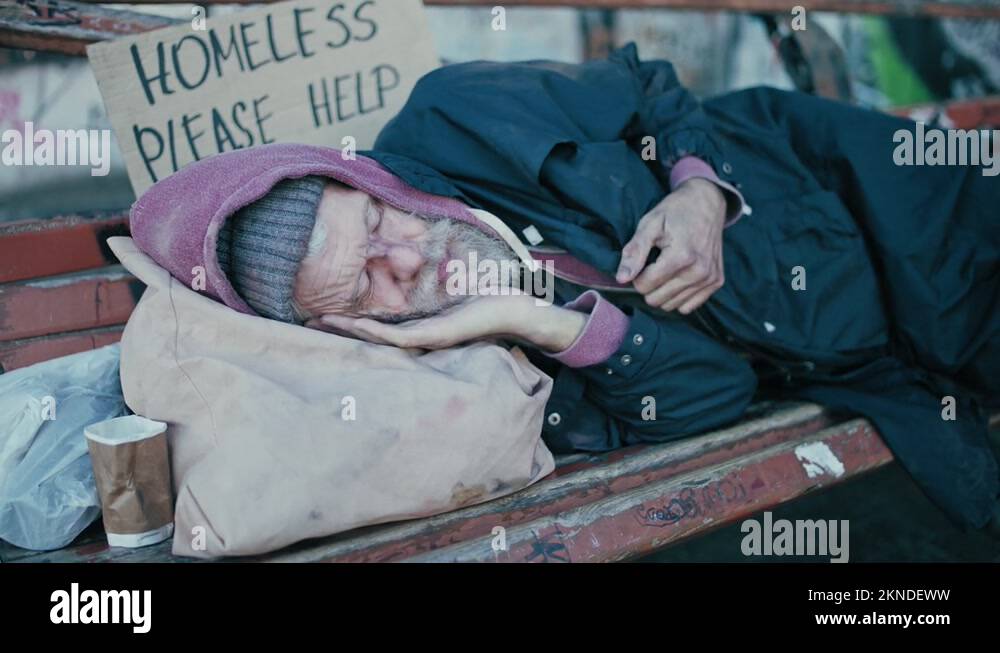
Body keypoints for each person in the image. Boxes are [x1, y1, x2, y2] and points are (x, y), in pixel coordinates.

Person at [131, 44, 999, 531]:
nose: (408, 259)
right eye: (366, 289)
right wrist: (541, 322)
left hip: (828, 183)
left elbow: (651, 86)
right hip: (857, 352)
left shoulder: (454, 111)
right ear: (346, 329)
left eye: (375, 228)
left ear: (360, 180)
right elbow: (722, 391)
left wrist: (699, 189)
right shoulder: (480, 370)